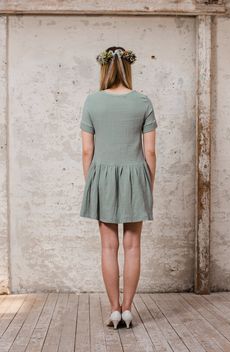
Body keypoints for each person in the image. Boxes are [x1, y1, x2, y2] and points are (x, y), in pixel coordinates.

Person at [79, 46, 157, 329]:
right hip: (136, 177)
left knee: (108, 247)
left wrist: (93, 183)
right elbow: (150, 152)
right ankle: (128, 310)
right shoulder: (143, 101)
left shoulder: (92, 102)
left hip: (102, 177)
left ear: (104, 68)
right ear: (129, 67)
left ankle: (114, 311)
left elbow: (88, 151)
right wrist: (149, 183)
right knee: (133, 246)